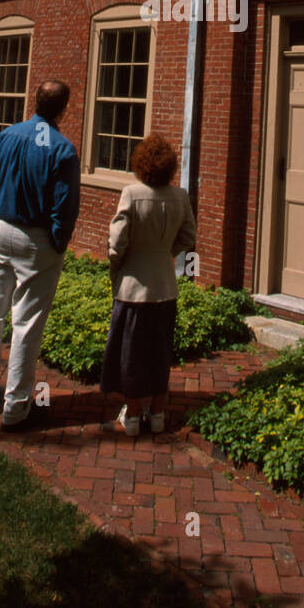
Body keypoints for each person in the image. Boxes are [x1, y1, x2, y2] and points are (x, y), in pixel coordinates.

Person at [0, 78, 80, 429]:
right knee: (26, 323)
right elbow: (65, 205)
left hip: (1, 229)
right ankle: (15, 406)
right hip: (36, 238)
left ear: (35, 101)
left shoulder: (7, 135)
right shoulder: (62, 149)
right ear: (63, 108)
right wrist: (58, 240)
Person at [100, 133, 196, 437]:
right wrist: (164, 255)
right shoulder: (180, 196)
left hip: (133, 287)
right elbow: (188, 237)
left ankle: (132, 415)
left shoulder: (131, 193)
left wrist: (118, 263)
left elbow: (117, 241)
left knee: (131, 354)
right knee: (159, 353)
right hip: (165, 287)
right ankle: (156, 413)